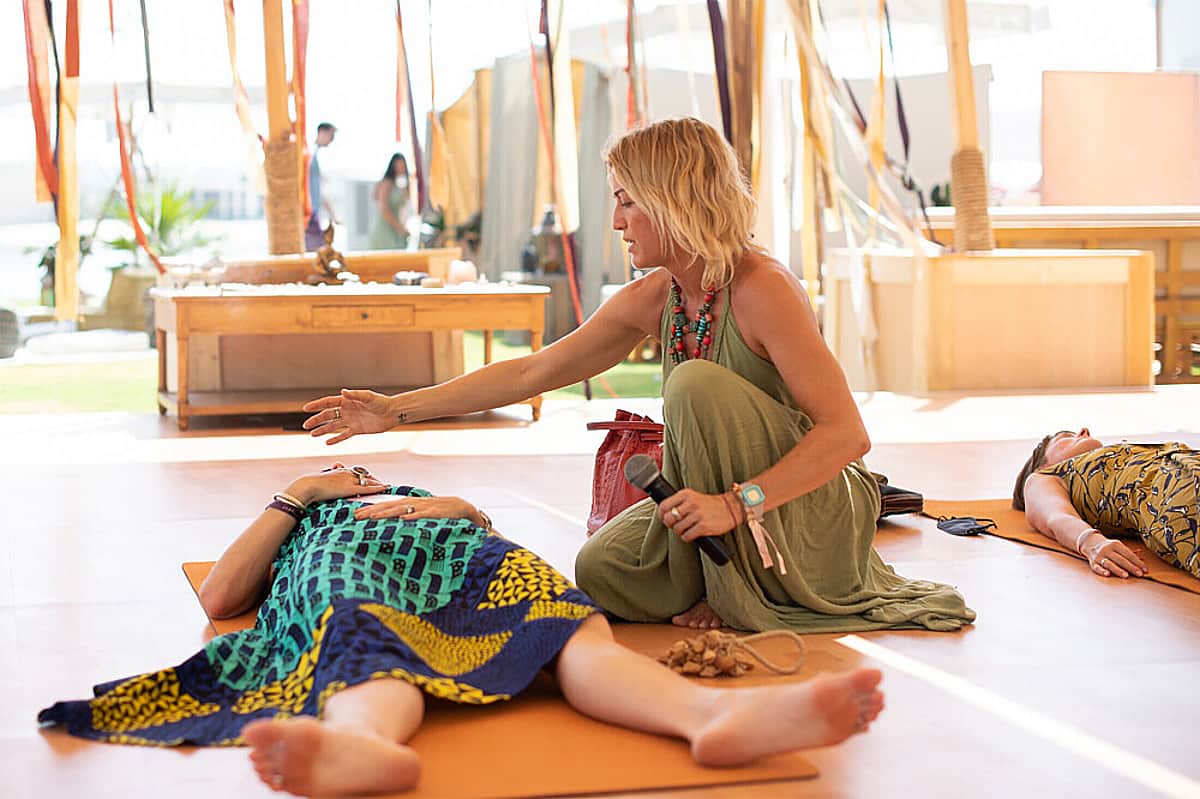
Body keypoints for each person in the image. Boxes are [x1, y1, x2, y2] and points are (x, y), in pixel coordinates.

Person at [301, 117, 975, 635]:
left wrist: (733, 504)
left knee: (693, 386)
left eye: (628, 201)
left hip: (798, 509)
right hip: (715, 509)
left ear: (674, 198)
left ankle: (738, 587)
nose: (617, 220)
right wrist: (396, 411)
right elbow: (536, 368)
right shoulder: (663, 294)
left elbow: (848, 436)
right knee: (600, 568)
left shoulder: (762, 288)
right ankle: (719, 581)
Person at [38, 464, 884, 797]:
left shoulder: (429, 495)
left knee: (570, 629)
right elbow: (223, 590)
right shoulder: (304, 520)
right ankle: (366, 745)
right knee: (365, 640)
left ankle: (712, 721)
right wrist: (303, 492)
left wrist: (428, 503)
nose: (357, 470)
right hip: (356, 576)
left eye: (361, 467)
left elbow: (476, 516)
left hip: (464, 558)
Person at [1013, 428, 1199, 579]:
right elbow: (1055, 515)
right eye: (1066, 437)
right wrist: (1090, 541)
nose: (1084, 430)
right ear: (1042, 465)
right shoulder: (1043, 476)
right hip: (1178, 497)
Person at [305, 122, 339, 252]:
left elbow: (318, 191)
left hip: (312, 212)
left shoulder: (314, 155)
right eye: (331, 136)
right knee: (318, 250)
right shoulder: (310, 155)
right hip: (309, 213)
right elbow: (315, 190)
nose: (331, 141)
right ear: (322, 133)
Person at [368, 153, 412, 250]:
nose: (401, 169)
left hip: (397, 228)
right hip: (386, 230)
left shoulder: (400, 185)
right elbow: (384, 210)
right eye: (399, 166)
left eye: (403, 166)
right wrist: (400, 228)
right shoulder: (387, 184)